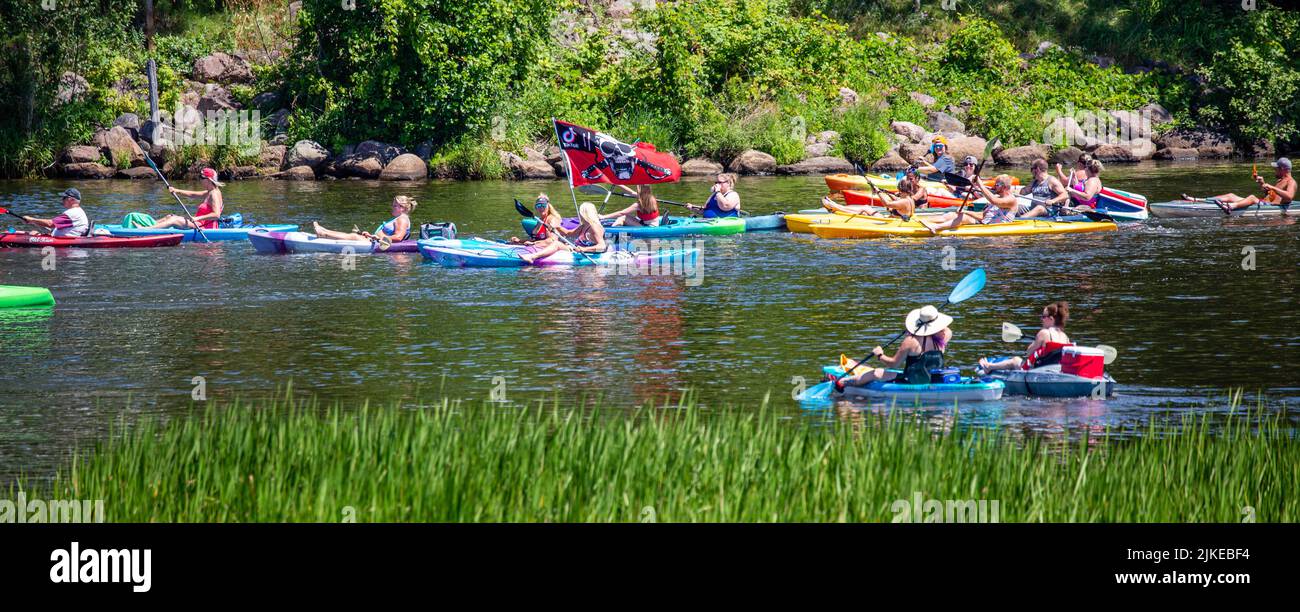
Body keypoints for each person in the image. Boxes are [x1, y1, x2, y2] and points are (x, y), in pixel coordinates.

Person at [829, 305, 953, 390]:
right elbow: (944, 328)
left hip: (911, 382)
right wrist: (927, 324)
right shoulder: (945, 335)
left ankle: (842, 383)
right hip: (935, 380)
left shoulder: (911, 341)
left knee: (875, 373)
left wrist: (880, 355)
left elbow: (893, 364)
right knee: (888, 373)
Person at [979, 302, 1073, 373]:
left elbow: (1028, 353)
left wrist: (1035, 342)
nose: (1041, 319)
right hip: (1056, 369)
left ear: (1051, 319)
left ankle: (989, 367)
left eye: (1044, 316)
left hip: (1041, 369)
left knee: (1015, 360)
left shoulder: (1044, 333)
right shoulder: (1065, 337)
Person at [918, 174, 1018, 234]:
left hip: (996, 228)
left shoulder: (1011, 200)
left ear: (1005, 187)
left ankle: (936, 227)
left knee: (962, 218)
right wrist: (965, 211)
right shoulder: (998, 198)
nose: (995, 186)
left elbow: (994, 201)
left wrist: (980, 184)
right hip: (984, 223)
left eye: (998, 184)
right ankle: (923, 221)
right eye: (995, 184)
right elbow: (983, 216)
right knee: (953, 214)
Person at [1192, 157, 1296, 212]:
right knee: (1231, 195)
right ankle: (1199, 200)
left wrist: (1272, 187)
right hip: (1265, 203)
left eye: (1276, 169)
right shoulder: (1279, 181)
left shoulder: (1291, 182)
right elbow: (1271, 195)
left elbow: (1289, 196)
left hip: (1271, 207)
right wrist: (1263, 184)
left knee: (1252, 197)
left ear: (1283, 170)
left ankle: (1230, 207)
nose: (1274, 171)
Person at [519, 201, 608, 263]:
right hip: (577, 249)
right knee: (560, 243)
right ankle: (534, 252)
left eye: (580, 212)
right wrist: (556, 228)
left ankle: (532, 257)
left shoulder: (595, 227)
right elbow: (568, 233)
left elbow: (602, 246)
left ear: (585, 213)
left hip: (587, 253)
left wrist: (584, 249)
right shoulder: (584, 225)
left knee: (557, 244)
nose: (579, 215)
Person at [143, 167, 225, 230]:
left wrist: (197, 218)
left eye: (202, 178)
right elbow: (192, 194)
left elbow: (216, 215)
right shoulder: (209, 192)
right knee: (169, 216)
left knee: (174, 220)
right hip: (198, 223)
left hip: (205, 227)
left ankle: (146, 230)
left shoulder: (214, 194)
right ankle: (149, 226)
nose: (200, 180)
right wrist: (176, 190)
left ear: (208, 180)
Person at [313, 195, 417, 243]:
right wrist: (372, 236)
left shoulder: (402, 219)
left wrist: (379, 238)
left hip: (379, 244)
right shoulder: (399, 218)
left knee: (353, 236)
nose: (392, 207)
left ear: (402, 208)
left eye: (395, 206)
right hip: (376, 241)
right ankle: (323, 231)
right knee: (353, 235)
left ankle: (323, 234)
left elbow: (398, 237)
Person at [22, 188, 90, 237]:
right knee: (30, 233)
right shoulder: (79, 211)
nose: (62, 200)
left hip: (65, 244)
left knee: (30, 234)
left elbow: (50, 224)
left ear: (71, 199)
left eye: (64, 198)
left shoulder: (72, 213)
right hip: (64, 239)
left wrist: (31, 219)